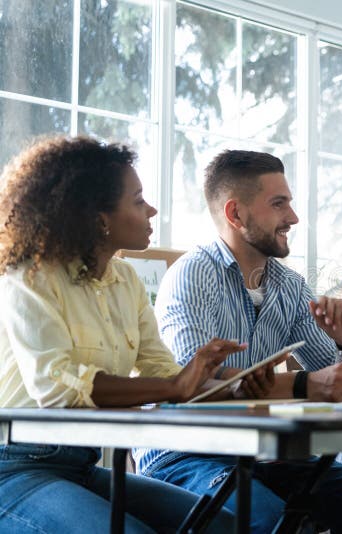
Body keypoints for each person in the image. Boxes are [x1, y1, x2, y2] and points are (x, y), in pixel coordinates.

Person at [133, 150, 342, 534]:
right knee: (277, 521)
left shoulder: (290, 287)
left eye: (290, 203)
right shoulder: (193, 275)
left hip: (258, 453)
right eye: (279, 204)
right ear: (235, 214)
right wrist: (304, 386)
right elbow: (193, 385)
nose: (294, 218)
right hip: (183, 453)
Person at [0, 136, 242, 533]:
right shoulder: (31, 276)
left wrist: (236, 385)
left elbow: (167, 374)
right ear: (99, 218)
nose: (152, 209)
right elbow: (56, 387)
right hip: (13, 471)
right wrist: (176, 386)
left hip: (79, 465)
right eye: (138, 200)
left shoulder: (125, 280)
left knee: (223, 527)